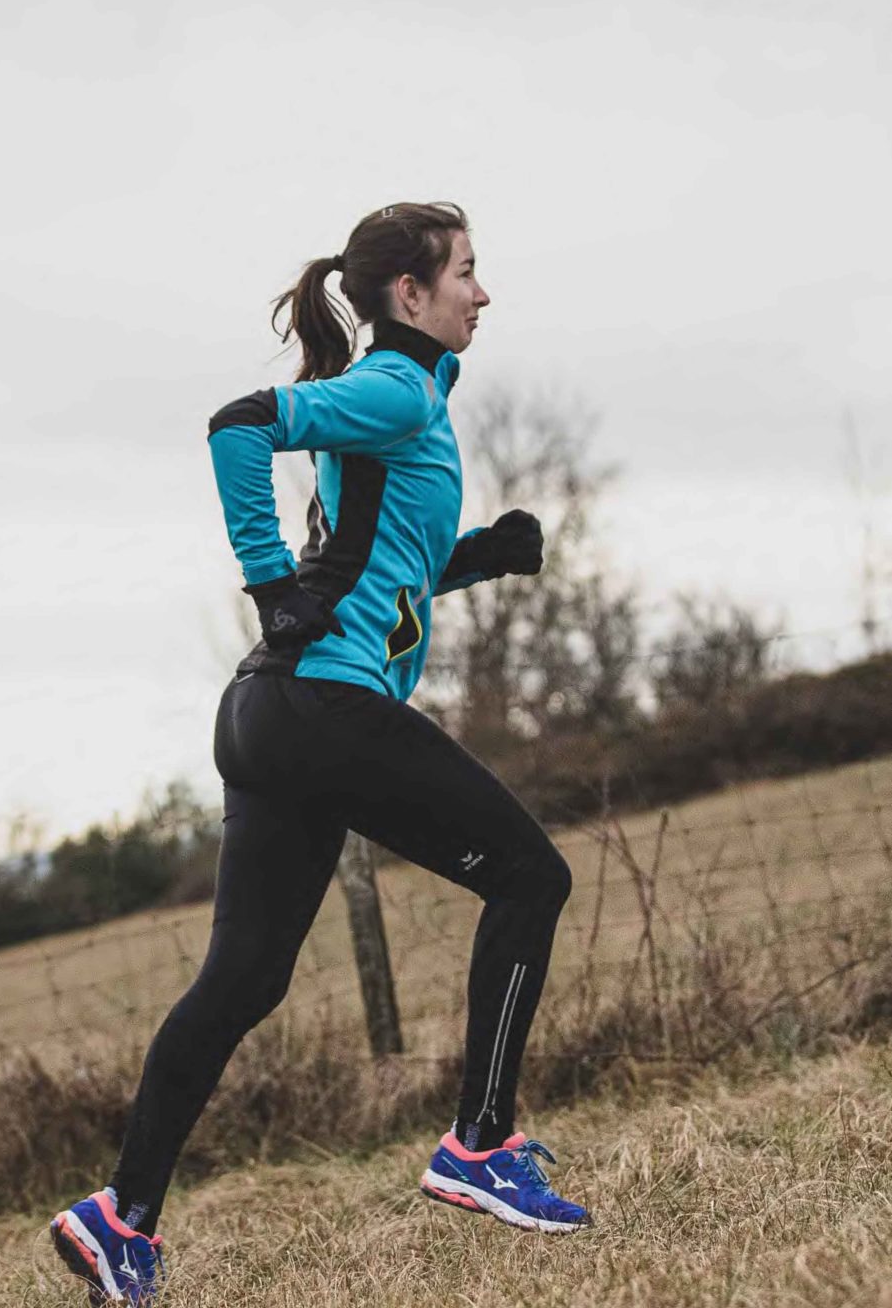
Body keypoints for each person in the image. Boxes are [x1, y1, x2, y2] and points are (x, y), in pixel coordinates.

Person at [49, 201, 588, 1303]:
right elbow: (238, 422)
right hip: (317, 704)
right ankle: (479, 1146)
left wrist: (480, 557)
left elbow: (368, 565)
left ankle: (120, 1218)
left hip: (270, 716)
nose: (483, 294)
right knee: (532, 876)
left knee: (242, 979)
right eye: (468, 274)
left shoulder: (407, 406)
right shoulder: (393, 388)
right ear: (411, 294)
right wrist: (263, 584)